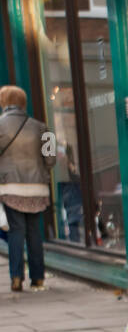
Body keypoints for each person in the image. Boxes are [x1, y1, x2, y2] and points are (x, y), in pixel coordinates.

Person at [0, 85, 54, 292]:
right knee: (34, 232)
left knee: (16, 232)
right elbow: (51, 160)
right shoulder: (42, 127)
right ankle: (38, 278)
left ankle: (16, 277)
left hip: (10, 187)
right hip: (37, 188)